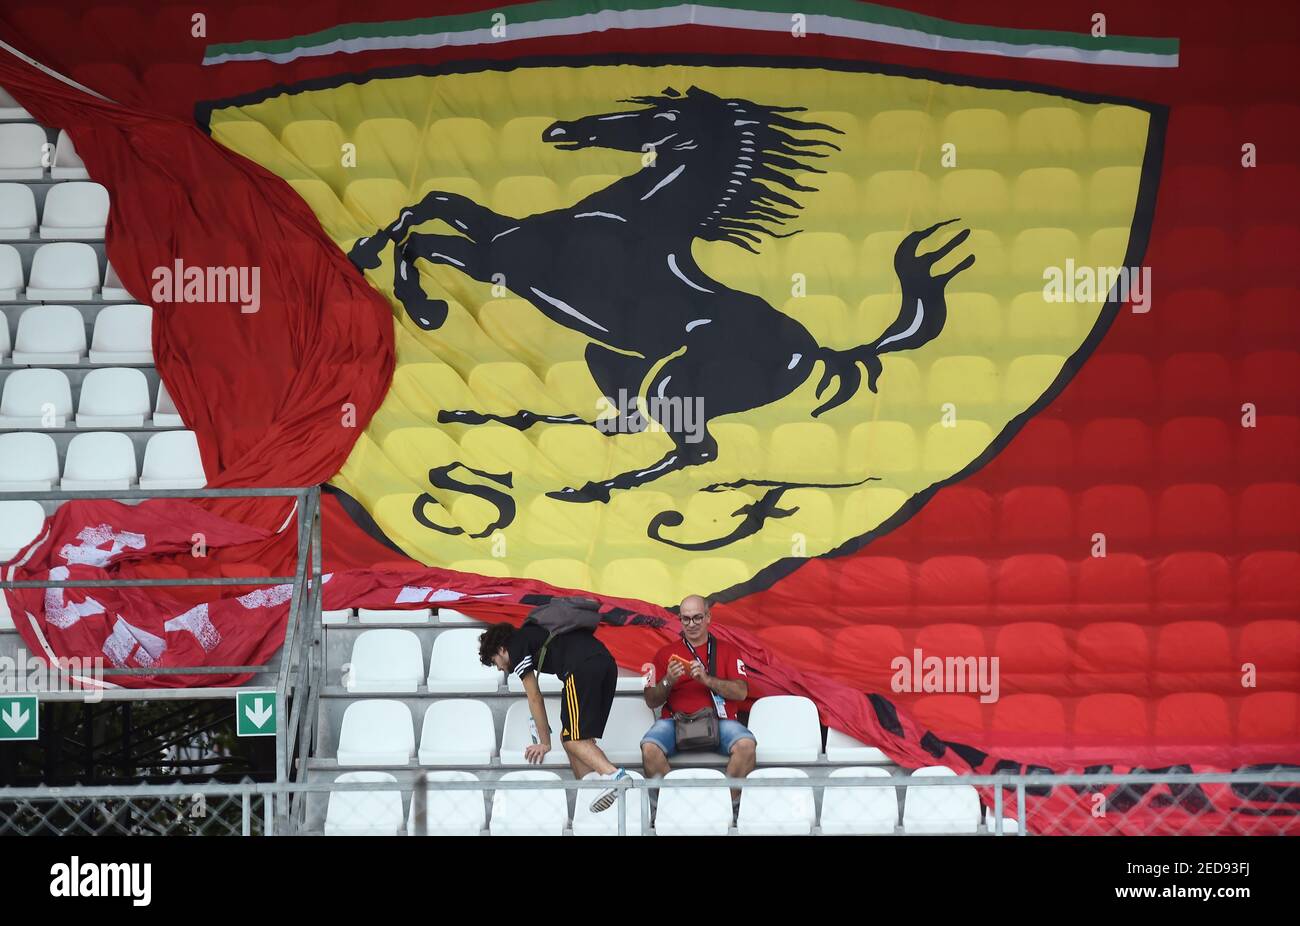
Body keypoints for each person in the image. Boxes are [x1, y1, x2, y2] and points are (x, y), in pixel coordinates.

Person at [478, 621, 628, 812]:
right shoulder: (529, 635)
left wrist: (544, 743)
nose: (499, 668)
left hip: (581, 668)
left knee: (572, 739)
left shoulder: (516, 646)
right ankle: (591, 793)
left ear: (500, 649)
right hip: (605, 664)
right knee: (575, 739)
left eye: (494, 662)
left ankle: (615, 777)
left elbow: (534, 697)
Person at [641, 595, 756, 802]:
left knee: (746, 745)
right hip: (676, 722)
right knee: (649, 749)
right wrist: (668, 680)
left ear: (708, 617)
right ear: (680, 619)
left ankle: (727, 805)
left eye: (697, 618)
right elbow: (651, 700)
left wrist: (706, 679)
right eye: (686, 619)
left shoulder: (728, 650)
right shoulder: (664, 653)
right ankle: (674, 806)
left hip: (720, 721)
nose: (691, 624)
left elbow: (741, 692)